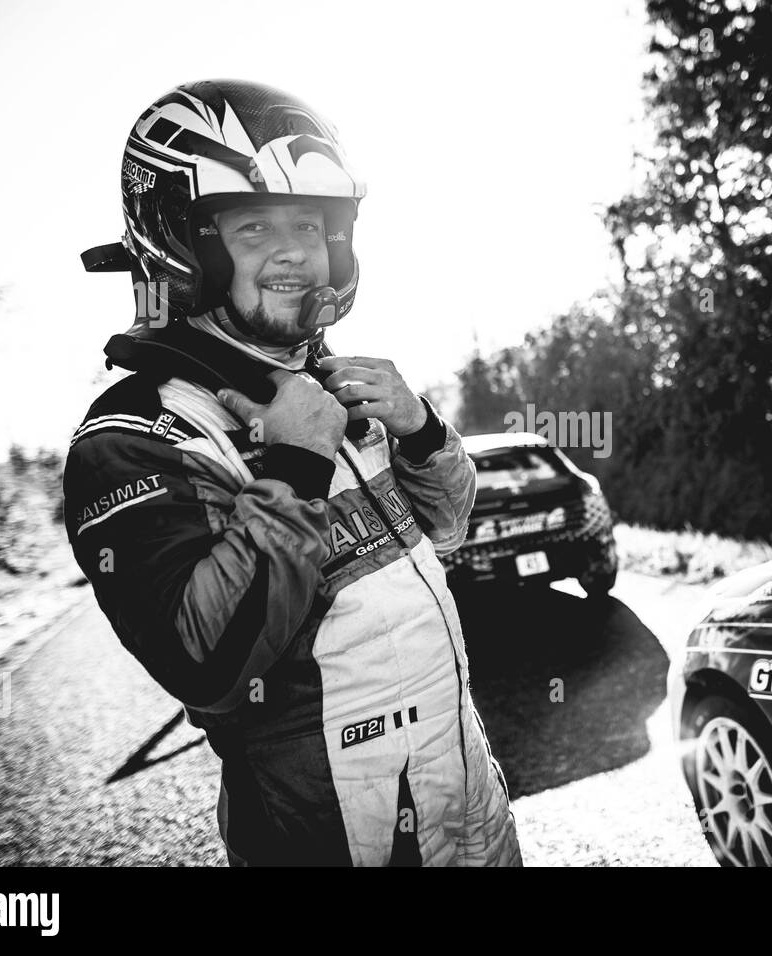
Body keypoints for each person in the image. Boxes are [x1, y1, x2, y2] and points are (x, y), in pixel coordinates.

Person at [63, 79, 522, 866]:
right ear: (184, 243)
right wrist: (295, 467)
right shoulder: (136, 436)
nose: (294, 251)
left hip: (467, 791)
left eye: (309, 223)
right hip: (328, 833)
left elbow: (446, 529)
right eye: (252, 227)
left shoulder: (340, 383)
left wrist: (422, 432)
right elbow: (207, 664)